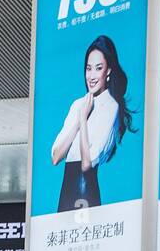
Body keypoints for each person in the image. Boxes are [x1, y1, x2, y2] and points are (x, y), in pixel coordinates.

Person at [51, 35, 135, 210]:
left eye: (98, 68)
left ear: (109, 71)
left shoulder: (111, 106)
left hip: (86, 192)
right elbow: (56, 156)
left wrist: (82, 119)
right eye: (88, 69)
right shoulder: (77, 104)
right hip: (65, 191)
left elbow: (87, 163)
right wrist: (78, 120)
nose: (92, 75)